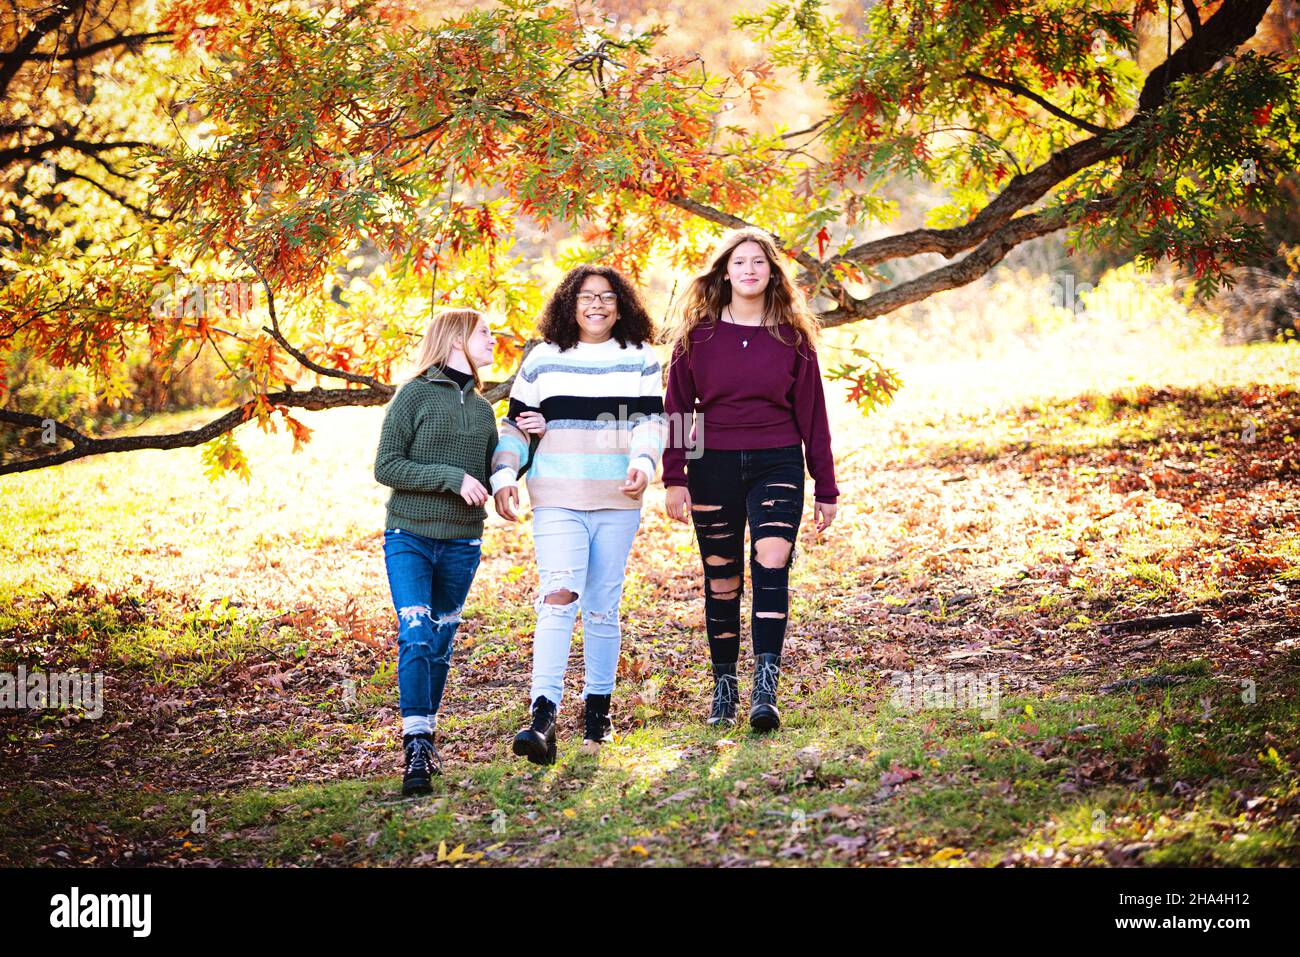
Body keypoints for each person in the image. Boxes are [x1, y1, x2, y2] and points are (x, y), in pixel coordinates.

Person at [662, 227, 838, 732]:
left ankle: (766, 687)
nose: (749, 270)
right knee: (722, 579)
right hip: (711, 466)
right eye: (739, 262)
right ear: (724, 272)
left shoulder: (793, 338)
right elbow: (675, 410)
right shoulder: (696, 337)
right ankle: (724, 687)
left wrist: (825, 487)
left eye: (758, 262)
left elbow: (814, 416)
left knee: (773, 558)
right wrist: (675, 478)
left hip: (777, 462)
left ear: (772, 272)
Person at [492, 266, 665, 764]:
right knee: (558, 594)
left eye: (607, 297)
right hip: (558, 496)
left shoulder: (639, 359)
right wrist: (505, 477)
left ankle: (598, 717)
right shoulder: (543, 360)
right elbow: (515, 428)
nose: (597, 305)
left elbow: (650, 422)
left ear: (622, 304)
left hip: (617, 496)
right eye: (587, 297)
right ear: (570, 303)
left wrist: (642, 462)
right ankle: (541, 717)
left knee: (602, 606)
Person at [373, 308, 514, 795]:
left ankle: (426, 735)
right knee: (414, 633)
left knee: (439, 643)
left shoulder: (481, 408)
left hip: (462, 542)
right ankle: (415, 745)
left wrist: (529, 442)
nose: (494, 340)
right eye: (485, 333)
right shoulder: (413, 395)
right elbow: (387, 466)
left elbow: (494, 470)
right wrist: (449, 478)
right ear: (456, 339)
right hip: (409, 535)